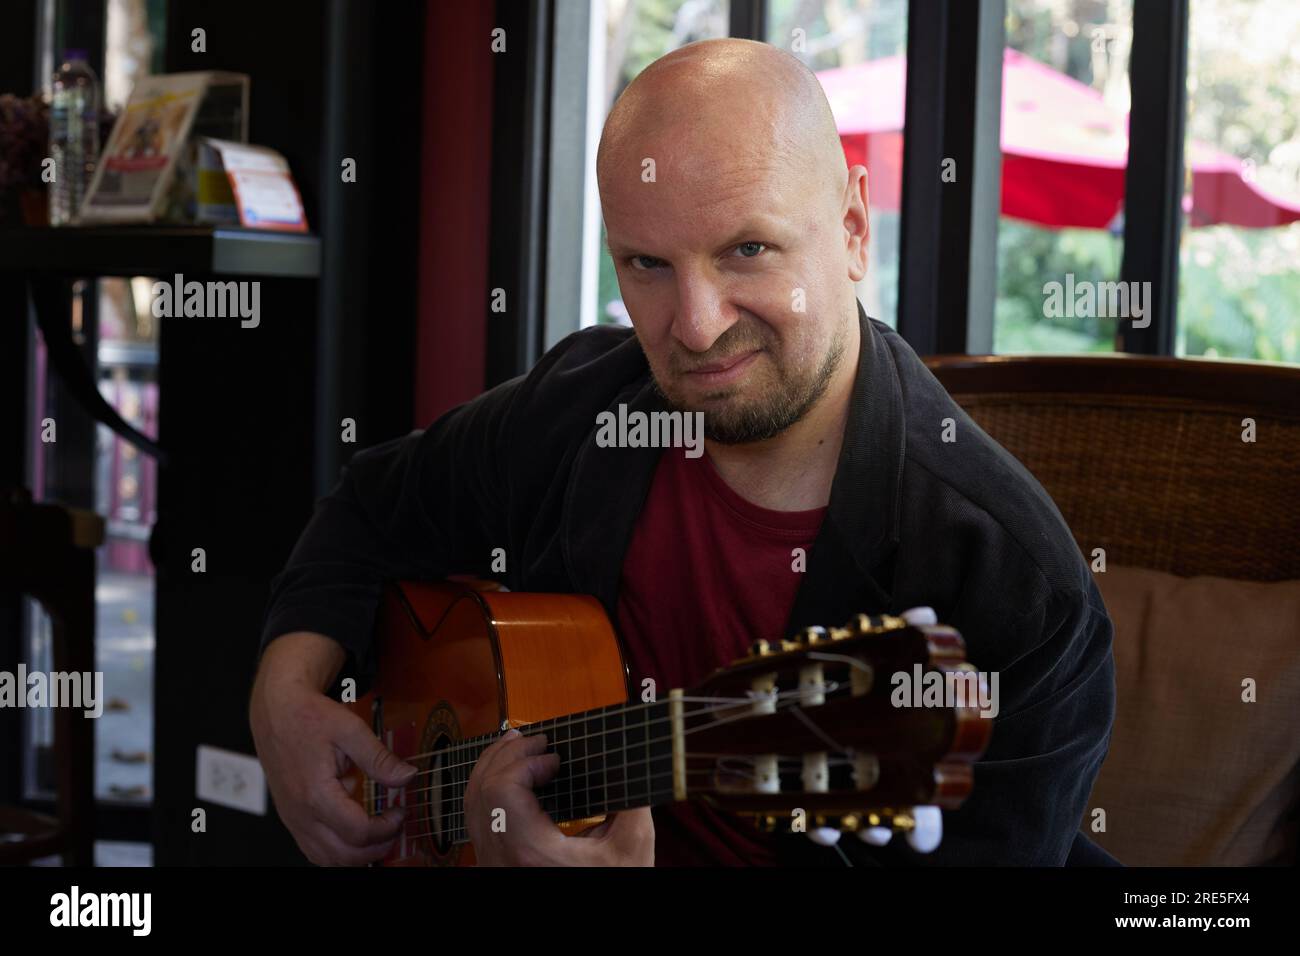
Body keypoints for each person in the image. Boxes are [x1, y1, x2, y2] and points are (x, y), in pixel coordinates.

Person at [248, 38, 1117, 867]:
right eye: (647, 265)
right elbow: (369, 509)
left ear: (854, 229)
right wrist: (283, 693)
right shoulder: (583, 406)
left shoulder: (1014, 588)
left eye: (748, 250)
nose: (696, 327)